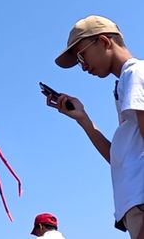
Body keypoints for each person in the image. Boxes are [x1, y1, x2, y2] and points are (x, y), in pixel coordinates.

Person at [48, 15, 144, 239]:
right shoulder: (126, 82)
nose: (82, 67)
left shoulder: (135, 74)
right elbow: (118, 157)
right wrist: (83, 119)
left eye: (81, 56)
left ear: (104, 41)